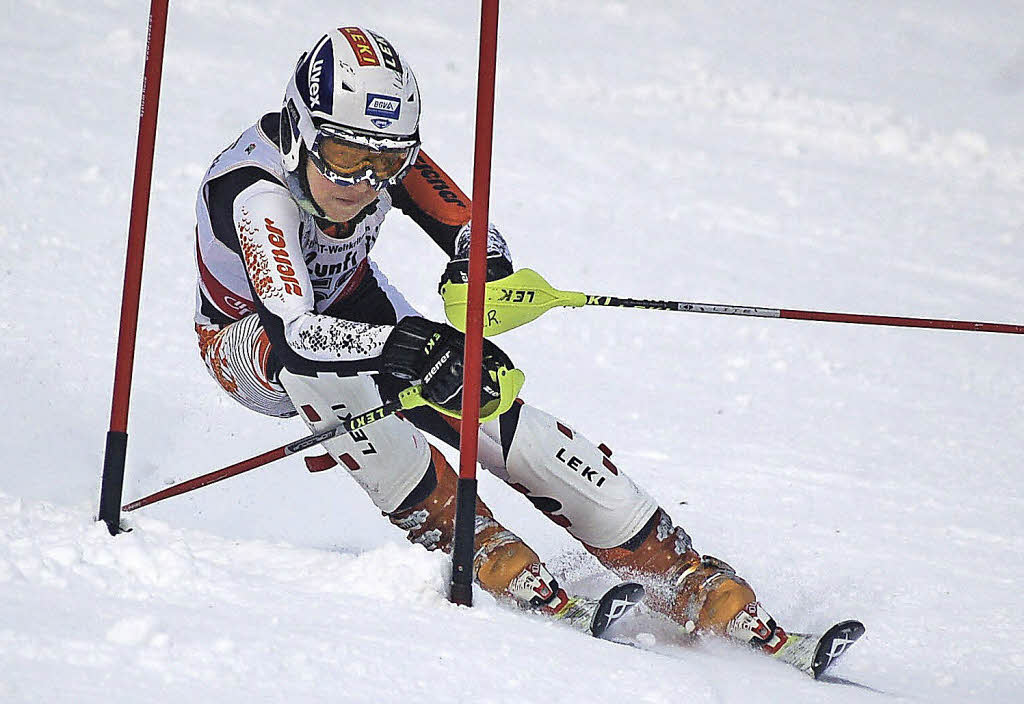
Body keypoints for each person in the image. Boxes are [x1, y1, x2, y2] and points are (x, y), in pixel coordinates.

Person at [192, 25, 786, 649]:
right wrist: (405, 350)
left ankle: (677, 568)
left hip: (350, 299)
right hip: (250, 342)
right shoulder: (255, 195)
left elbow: (473, 228)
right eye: (344, 158)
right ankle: (466, 536)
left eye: (387, 162)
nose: (366, 182)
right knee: (345, 378)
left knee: (478, 390)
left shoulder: (376, 154)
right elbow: (297, 335)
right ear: (300, 132)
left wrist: (480, 270)